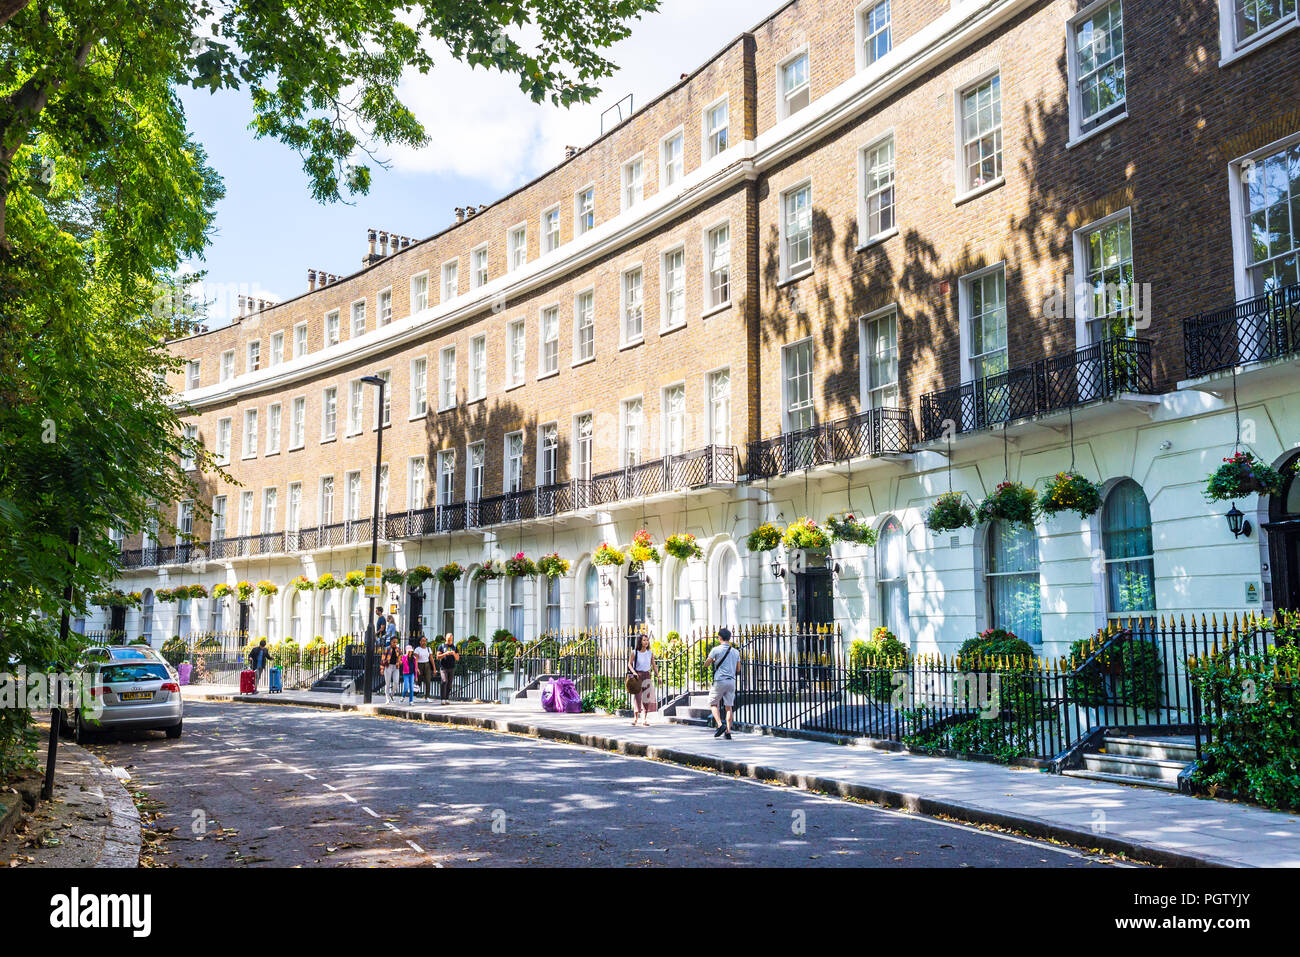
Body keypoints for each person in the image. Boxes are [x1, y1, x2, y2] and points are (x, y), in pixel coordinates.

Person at [706, 628, 739, 740]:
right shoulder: (735, 651)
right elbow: (738, 669)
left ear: (719, 637)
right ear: (729, 638)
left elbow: (706, 664)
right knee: (728, 707)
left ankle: (720, 725)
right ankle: (728, 732)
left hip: (720, 680)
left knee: (713, 703)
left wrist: (714, 661)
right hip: (731, 681)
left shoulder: (716, 650)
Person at [627, 633, 656, 726]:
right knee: (637, 697)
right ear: (640, 641)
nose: (646, 642)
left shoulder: (650, 653)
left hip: (647, 675)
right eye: (644, 640)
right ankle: (635, 718)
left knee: (646, 698)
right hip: (638, 676)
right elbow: (629, 664)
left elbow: (654, 665)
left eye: (647, 640)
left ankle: (644, 719)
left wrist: (658, 676)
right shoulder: (634, 652)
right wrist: (634, 672)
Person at [435, 633, 459, 704]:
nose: (449, 641)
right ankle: (443, 699)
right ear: (446, 638)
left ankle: (447, 698)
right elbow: (437, 657)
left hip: (451, 667)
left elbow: (457, 658)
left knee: (449, 683)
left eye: (451, 640)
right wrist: (445, 653)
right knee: (444, 681)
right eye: (448, 640)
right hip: (443, 667)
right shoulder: (441, 646)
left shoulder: (454, 647)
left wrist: (453, 653)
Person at [381, 635, 402, 703]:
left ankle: (392, 694)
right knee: (387, 683)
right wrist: (382, 668)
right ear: (391, 642)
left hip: (396, 667)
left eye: (396, 642)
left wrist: (399, 662)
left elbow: (400, 658)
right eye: (394, 642)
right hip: (388, 666)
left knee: (396, 682)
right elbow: (383, 659)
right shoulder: (387, 649)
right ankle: (387, 698)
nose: (395, 644)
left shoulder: (399, 649)